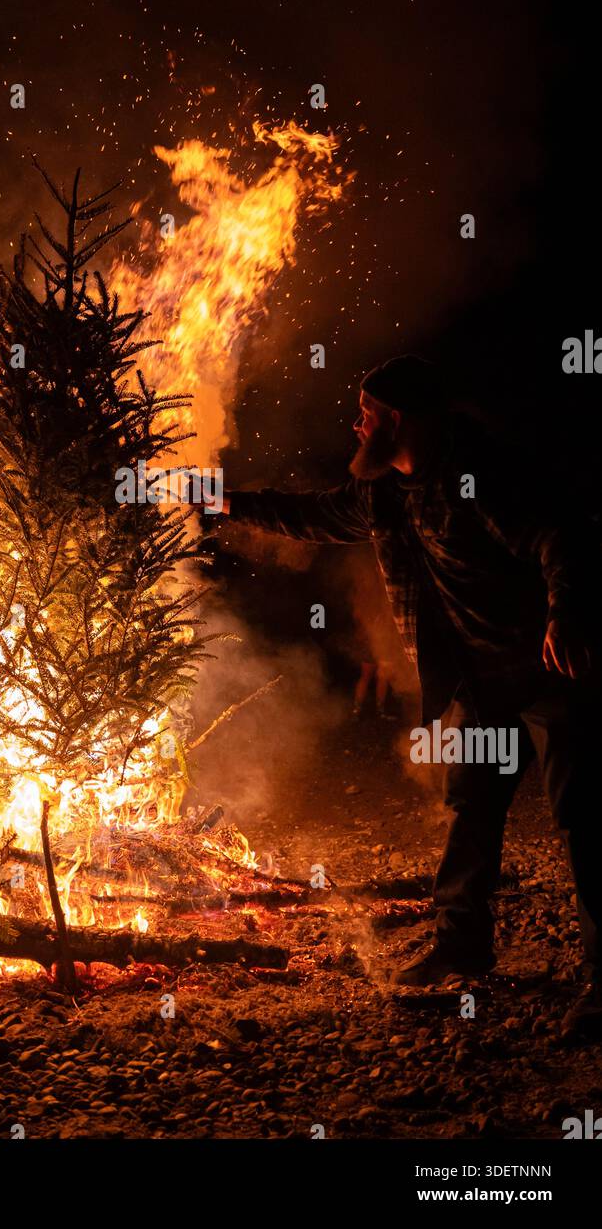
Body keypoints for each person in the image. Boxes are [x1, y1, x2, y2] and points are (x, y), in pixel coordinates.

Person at [209, 355, 602, 1035]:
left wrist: (565, 614)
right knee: (470, 808)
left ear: (399, 421)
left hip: (549, 675)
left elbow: (557, 537)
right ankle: (462, 947)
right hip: (479, 684)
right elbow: (312, 515)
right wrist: (215, 496)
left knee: (586, 818)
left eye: (366, 413)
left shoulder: (482, 475)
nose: (355, 424)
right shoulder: (385, 490)